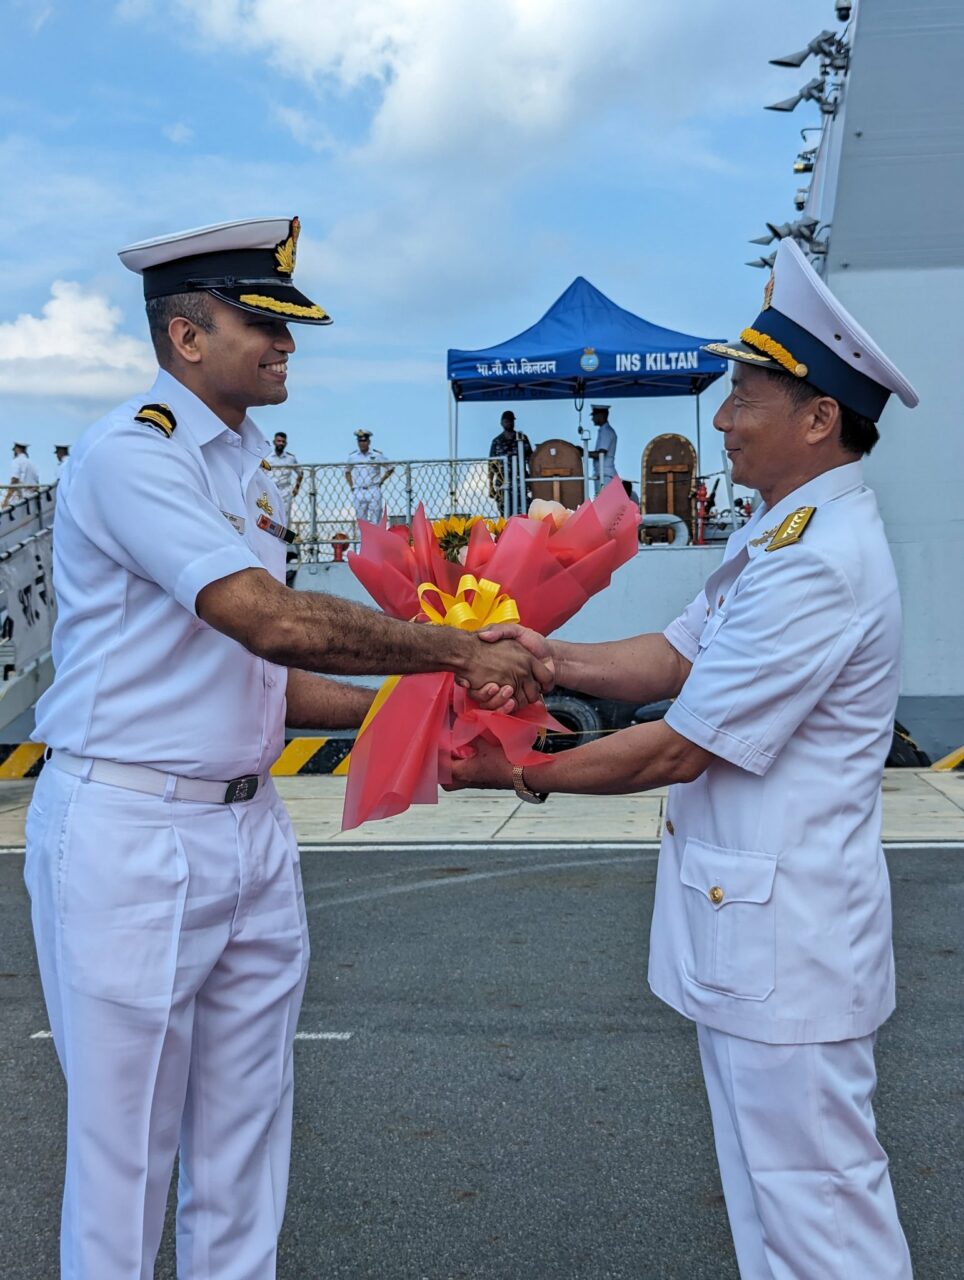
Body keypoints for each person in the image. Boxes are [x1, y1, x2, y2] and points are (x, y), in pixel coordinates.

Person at [24, 215, 550, 1280]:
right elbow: (268, 618)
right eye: (260, 323)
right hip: (133, 829)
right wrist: (454, 650)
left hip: (247, 827)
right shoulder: (136, 454)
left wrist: (419, 714)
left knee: (244, 1146)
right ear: (185, 338)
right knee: (125, 1162)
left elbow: (267, 677)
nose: (286, 345)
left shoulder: (252, 465)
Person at [449, 238, 917, 1280]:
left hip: (789, 950)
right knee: (771, 1217)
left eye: (743, 391)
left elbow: (678, 744)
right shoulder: (777, 534)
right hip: (753, 934)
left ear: (817, 416)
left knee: (821, 1225)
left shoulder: (818, 563)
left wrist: (514, 772)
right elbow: (669, 653)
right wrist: (542, 650)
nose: (720, 416)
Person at [488, 409, 533, 515]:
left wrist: (531, 480)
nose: (509, 423)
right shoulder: (497, 441)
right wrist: (490, 486)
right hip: (502, 481)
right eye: (506, 421)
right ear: (501, 422)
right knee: (505, 514)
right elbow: (491, 465)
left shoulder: (522, 438)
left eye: (511, 420)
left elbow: (530, 460)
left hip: (520, 481)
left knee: (524, 512)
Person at [345, 429, 394, 524]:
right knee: (361, 521)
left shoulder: (376, 455)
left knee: (376, 519)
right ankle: (362, 539)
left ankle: (376, 539)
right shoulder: (353, 457)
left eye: (364, 441)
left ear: (369, 442)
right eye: (360, 441)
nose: (362, 443)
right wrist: (352, 486)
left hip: (373, 488)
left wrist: (382, 481)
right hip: (359, 490)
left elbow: (390, 467)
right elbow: (347, 472)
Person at [269, 430, 302, 520]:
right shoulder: (267, 457)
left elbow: (300, 472)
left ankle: (284, 534)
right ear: (274, 442)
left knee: (285, 516)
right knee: (269, 514)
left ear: (286, 443)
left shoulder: (290, 458)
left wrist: (297, 488)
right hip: (270, 489)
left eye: (283, 441)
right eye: (279, 441)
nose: (281, 443)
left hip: (285, 491)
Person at [588, 403, 617, 490]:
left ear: (601, 415)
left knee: (605, 502)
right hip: (602, 474)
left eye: (594, 415)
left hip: (605, 476)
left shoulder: (606, 431)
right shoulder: (603, 431)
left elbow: (601, 453)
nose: (592, 419)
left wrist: (584, 452)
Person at [3, 441, 39, 506]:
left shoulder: (17, 461)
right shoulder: (32, 464)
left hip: (21, 499)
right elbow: (37, 483)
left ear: (17, 449)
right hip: (33, 498)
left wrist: (6, 499)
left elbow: (14, 480)